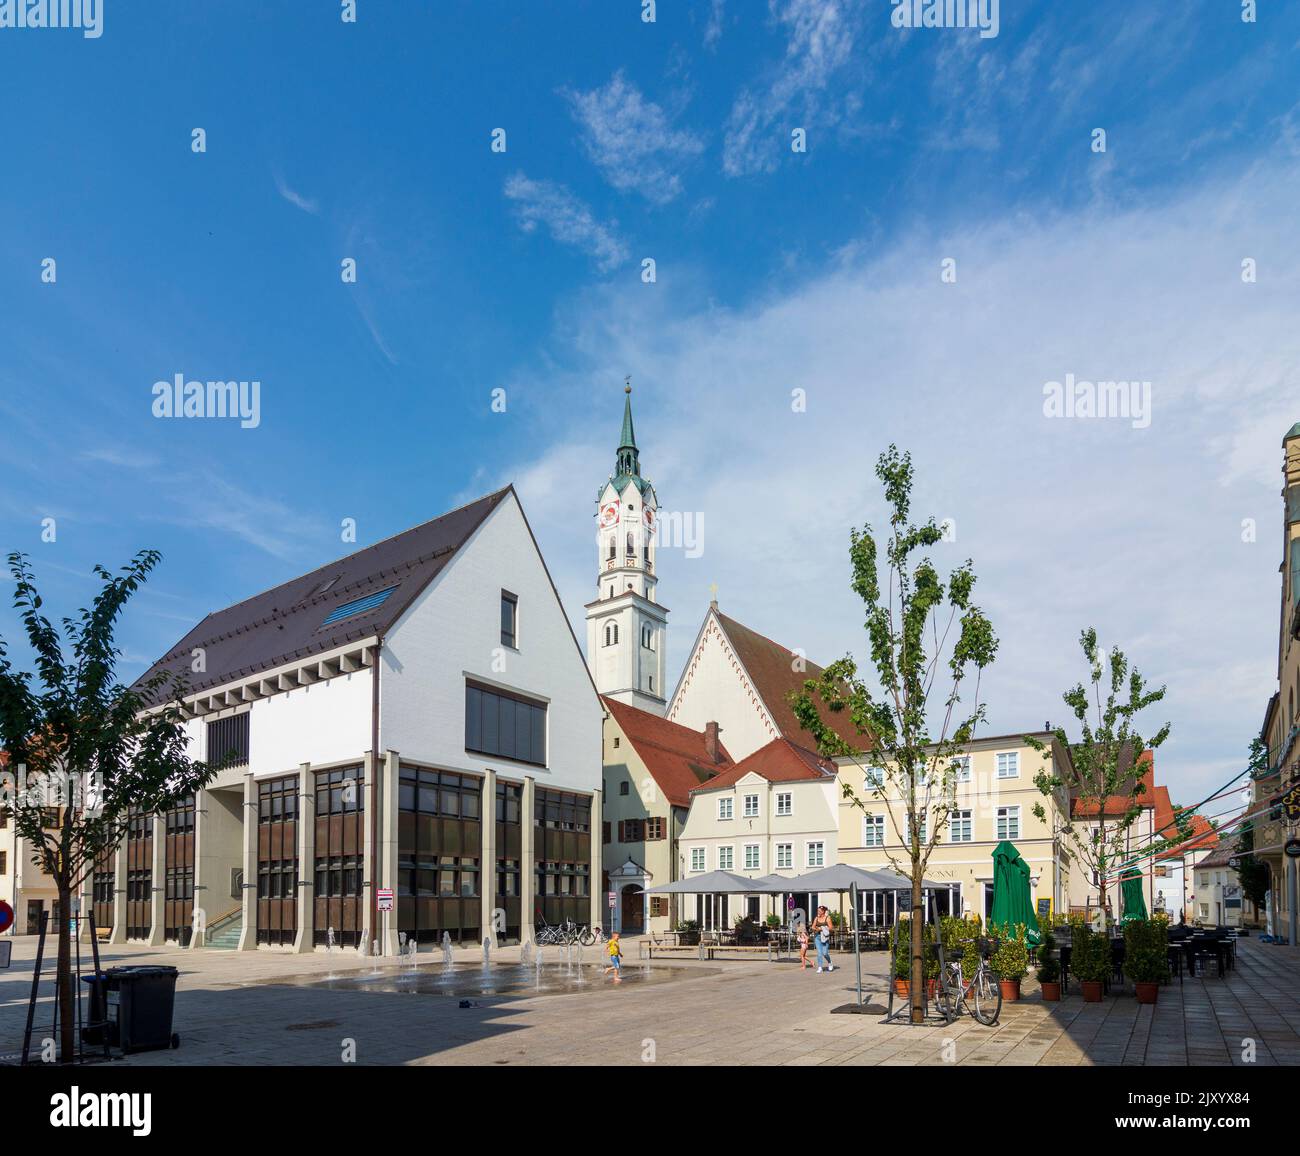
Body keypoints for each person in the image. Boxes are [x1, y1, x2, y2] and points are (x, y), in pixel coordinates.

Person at [810, 905, 835, 973]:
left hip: (824, 937)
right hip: (817, 937)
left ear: (823, 911)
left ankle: (830, 962)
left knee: (825, 953)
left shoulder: (827, 918)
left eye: (819, 911)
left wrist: (821, 928)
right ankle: (820, 967)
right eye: (818, 911)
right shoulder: (816, 918)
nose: (818, 912)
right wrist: (815, 928)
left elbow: (831, 928)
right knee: (819, 953)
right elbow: (813, 926)